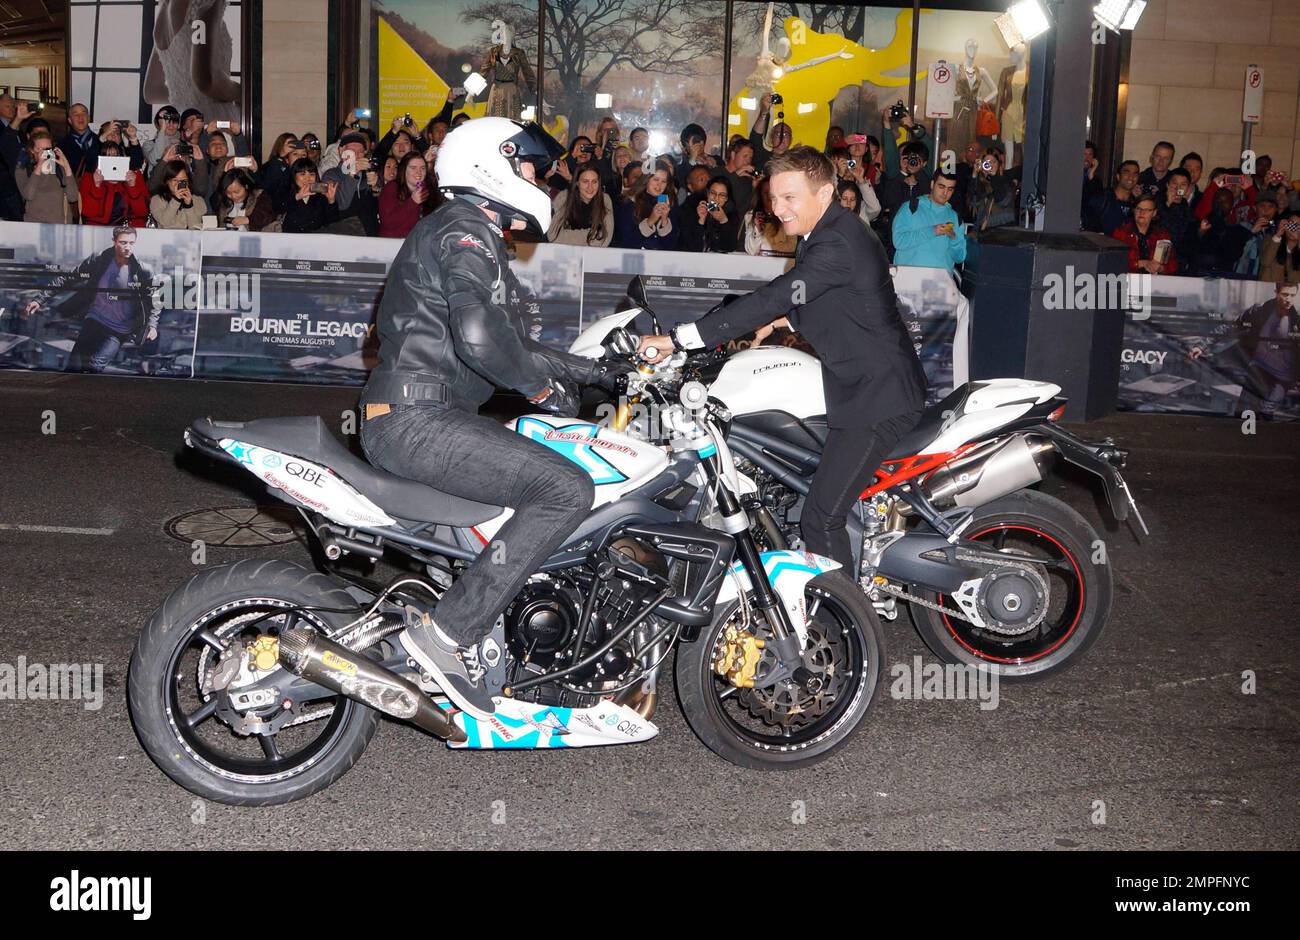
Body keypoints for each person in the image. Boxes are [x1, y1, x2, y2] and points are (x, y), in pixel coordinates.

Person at [359, 117, 626, 718]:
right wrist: (539, 390)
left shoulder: (467, 232)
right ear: (492, 166)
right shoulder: (464, 229)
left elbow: (509, 341)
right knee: (564, 488)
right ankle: (445, 635)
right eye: (528, 166)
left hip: (421, 414)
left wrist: (600, 375)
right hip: (416, 418)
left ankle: (484, 630)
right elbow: (479, 335)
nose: (537, 179)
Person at [637, 145, 926, 574]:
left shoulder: (837, 240)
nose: (778, 207)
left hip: (877, 395)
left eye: (790, 197)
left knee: (821, 516)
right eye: (773, 197)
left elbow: (782, 290)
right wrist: (778, 323)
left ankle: (841, 620)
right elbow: (825, 297)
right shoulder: (824, 231)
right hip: (862, 383)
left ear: (824, 193)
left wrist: (681, 338)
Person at [21, 223, 160, 373]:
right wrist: (40, 299)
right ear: (114, 241)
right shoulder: (99, 259)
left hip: (119, 329)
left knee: (95, 367)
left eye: (131, 243)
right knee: (73, 366)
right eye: (123, 242)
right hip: (95, 320)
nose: (127, 247)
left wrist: (152, 326)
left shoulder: (143, 270)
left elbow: (154, 300)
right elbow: (69, 278)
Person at [891, 171, 967, 273]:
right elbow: (898, 241)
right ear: (932, 184)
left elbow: (960, 257)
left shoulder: (955, 218)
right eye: (941, 187)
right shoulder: (911, 207)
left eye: (950, 189)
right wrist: (932, 231)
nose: (945, 193)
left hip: (940, 282)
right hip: (909, 278)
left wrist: (953, 238)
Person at [79, 141, 150, 227]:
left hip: (127, 230)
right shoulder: (91, 178)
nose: (112, 160)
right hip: (99, 230)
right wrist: (96, 186)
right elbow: (88, 213)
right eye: (107, 157)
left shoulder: (133, 176)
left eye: (116, 156)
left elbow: (142, 213)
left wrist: (132, 187)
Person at [17, 133, 79, 224]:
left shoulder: (59, 169)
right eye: (40, 149)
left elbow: (73, 197)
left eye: (48, 149)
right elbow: (28, 195)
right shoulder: (23, 170)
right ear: (32, 150)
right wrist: (39, 167)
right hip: (34, 226)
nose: (45, 153)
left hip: (60, 226)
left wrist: (66, 167)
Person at [547, 165, 614, 246]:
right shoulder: (564, 198)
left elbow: (605, 239)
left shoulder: (605, 199)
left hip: (595, 255)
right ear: (577, 183)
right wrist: (594, 236)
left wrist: (569, 236)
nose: (590, 187)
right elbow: (553, 236)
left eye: (594, 182)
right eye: (585, 182)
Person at [613, 167, 678, 249]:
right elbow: (625, 241)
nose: (659, 185)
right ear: (646, 179)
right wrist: (650, 221)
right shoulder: (628, 202)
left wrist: (664, 221)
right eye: (656, 179)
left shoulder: (669, 202)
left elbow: (671, 245)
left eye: (663, 181)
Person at [1111, 195, 1178, 274]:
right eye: (1139, 208)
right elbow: (1113, 263)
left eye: (1147, 210)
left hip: (1156, 282)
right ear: (1134, 210)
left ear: (1154, 213)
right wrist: (1141, 263)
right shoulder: (1121, 233)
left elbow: (1173, 265)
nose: (1142, 212)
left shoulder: (1162, 235)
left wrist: (1160, 268)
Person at [681, 175, 740, 252]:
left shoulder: (731, 214)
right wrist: (701, 221)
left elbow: (730, 247)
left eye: (722, 195)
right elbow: (690, 246)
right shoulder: (693, 207)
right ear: (707, 193)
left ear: (726, 198)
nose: (716, 198)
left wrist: (723, 221)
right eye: (713, 193)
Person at [743, 175, 798, 256]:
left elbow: (792, 246)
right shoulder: (751, 215)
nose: (769, 197)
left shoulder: (788, 215)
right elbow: (751, 250)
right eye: (765, 193)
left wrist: (768, 247)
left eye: (771, 193)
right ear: (760, 195)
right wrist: (757, 229)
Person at [282, 158, 340, 233]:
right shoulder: (287, 192)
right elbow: (278, 208)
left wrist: (331, 200)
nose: (308, 178)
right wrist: (297, 197)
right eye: (302, 174)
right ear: (294, 176)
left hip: (316, 239)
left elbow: (333, 223)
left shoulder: (321, 196)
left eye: (312, 174)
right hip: (291, 239)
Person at [149, 159, 209, 229]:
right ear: (167, 181)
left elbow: (195, 228)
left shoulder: (198, 201)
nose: (179, 184)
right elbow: (165, 223)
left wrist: (189, 206)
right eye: (175, 180)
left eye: (183, 180)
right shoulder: (157, 200)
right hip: (166, 239)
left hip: (191, 239)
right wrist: (176, 200)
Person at [1085, 159, 1138, 235]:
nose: (1131, 177)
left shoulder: (1137, 205)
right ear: (1118, 176)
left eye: (1135, 174)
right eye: (1126, 173)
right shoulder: (1103, 198)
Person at [1259, 212, 1300, 283]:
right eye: (1291, 224)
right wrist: (1278, 235)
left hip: (1293, 291)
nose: (1293, 229)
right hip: (1267, 288)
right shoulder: (1271, 239)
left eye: (1297, 226)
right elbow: (1265, 262)